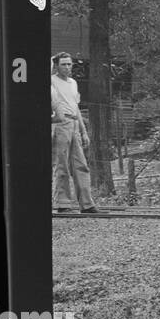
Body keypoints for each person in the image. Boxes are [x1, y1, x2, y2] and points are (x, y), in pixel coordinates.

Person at [51, 52, 98, 213]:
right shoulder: (52, 81)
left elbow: (76, 107)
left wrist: (83, 131)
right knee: (62, 164)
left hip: (74, 123)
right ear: (57, 66)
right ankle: (62, 203)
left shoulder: (73, 83)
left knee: (81, 164)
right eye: (63, 64)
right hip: (60, 124)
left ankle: (87, 204)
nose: (67, 67)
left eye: (69, 64)